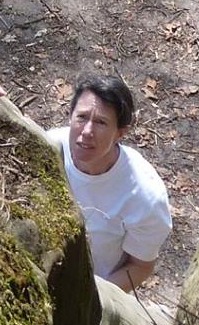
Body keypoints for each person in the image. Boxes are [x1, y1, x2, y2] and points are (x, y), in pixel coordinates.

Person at [47, 74, 172, 293]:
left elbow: (140, 266)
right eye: (82, 117)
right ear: (70, 116)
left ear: (120, 133)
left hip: (90, 291)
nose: (87, 132)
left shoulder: (145, 195)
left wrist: (91, 299)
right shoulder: (46, 149)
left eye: (101, 122)